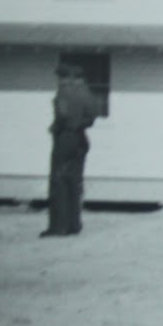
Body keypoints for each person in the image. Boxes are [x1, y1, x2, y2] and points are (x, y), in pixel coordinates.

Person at [42, 63, 100, 237]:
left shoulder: (64, 92)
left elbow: (62, 115)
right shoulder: (87, 93)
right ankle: (74, 224)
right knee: (74, 181)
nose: (60, 81)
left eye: (61, 77)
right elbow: (92, 116)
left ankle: (59, 226)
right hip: (81, 138)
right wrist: (79, 124)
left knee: (58, 181)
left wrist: (55, 127)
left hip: (65, 137)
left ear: (66, 77)